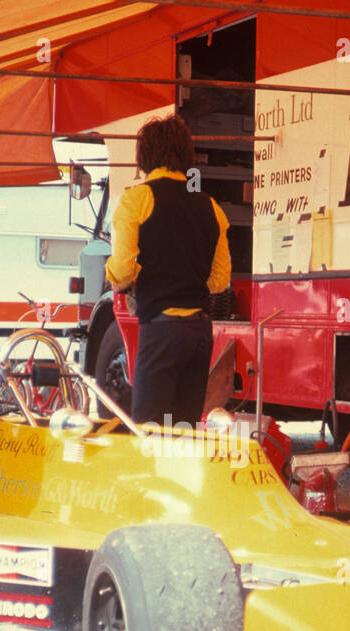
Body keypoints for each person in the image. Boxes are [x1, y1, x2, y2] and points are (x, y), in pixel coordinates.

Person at [105, 114, 230, 426]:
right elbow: (219, 280)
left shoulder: (136, 200)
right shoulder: (211, 207)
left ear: (143, 157)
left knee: (149, 430)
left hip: (161, 330)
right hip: (199, 333)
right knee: (183, 429)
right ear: (185, 157)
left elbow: (121, 271)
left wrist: (123, 280)